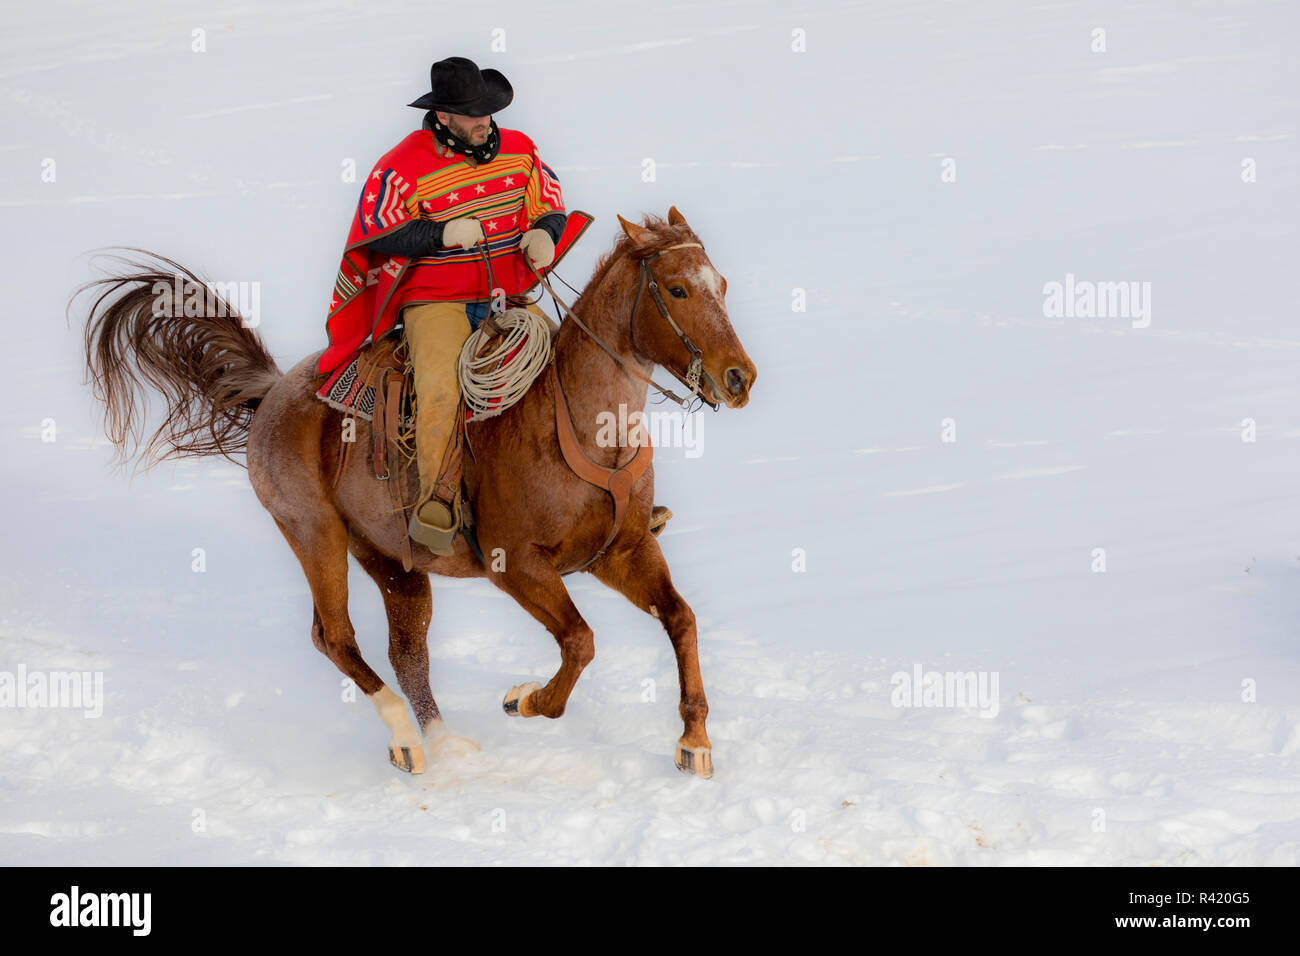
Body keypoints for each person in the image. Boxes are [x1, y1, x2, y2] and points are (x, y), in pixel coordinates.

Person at [318, 56, 670, 557]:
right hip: (437, 299)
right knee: (440, 388)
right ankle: (437, 501)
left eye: (487, 111)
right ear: (442, 117)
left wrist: (545, 233)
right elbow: (379, 229)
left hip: (509, 295)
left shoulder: (520, 150)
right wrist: (440, 233)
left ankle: (618, 492)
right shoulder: (401, 165)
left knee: (581, 368)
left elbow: (547, 200)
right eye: (472, 114)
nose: (485, 122)